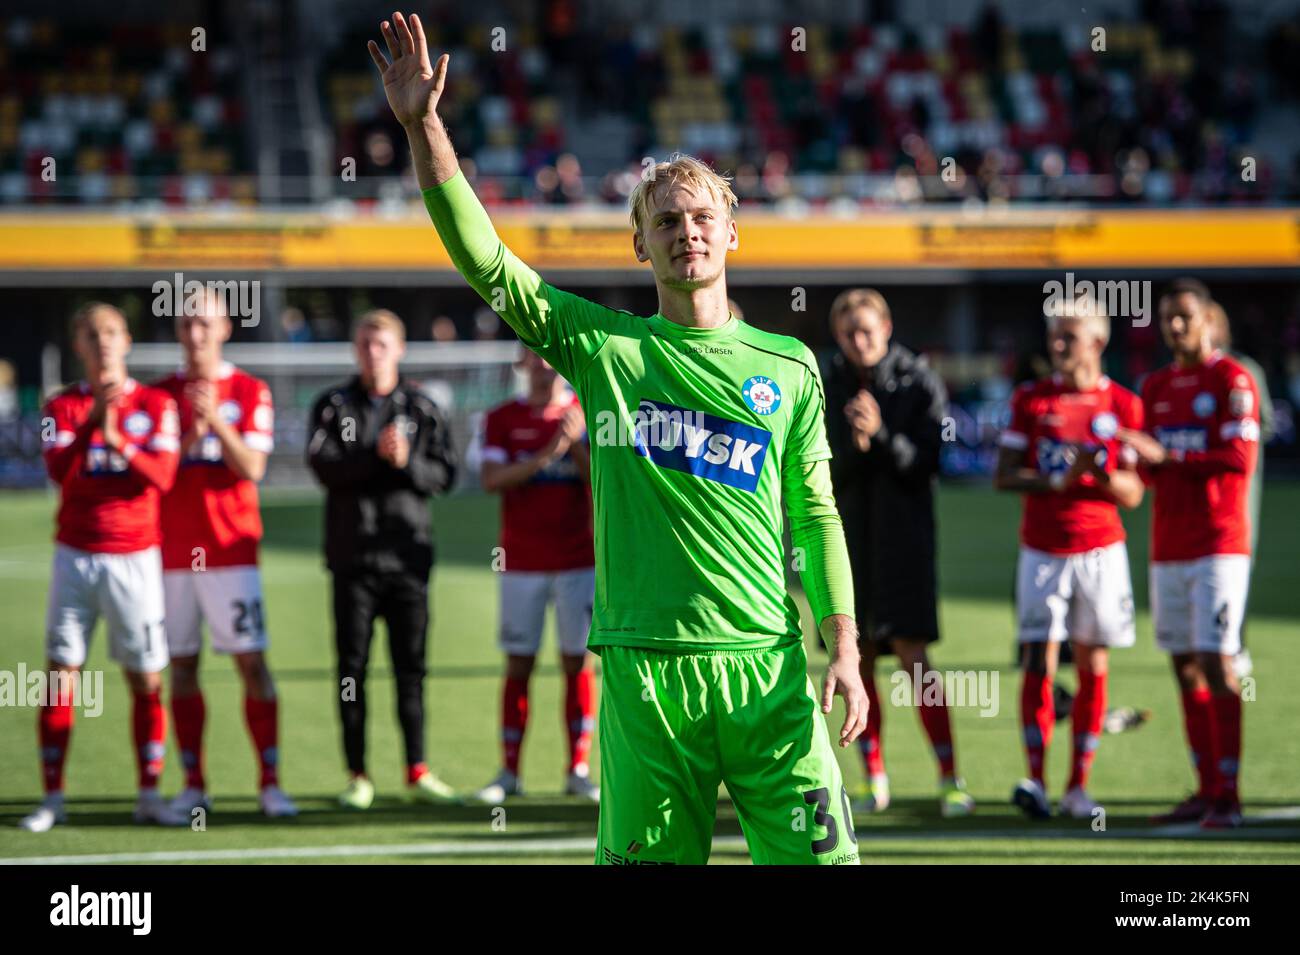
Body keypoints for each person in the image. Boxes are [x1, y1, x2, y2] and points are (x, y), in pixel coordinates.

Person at [368, 12, 866, 865]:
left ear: (732, 231)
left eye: (702, 216)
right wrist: (424, 125)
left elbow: (815, 515)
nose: (687, 232)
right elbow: (487, 263)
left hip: (770, 670)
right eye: (666, 222)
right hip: (645, 673)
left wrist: (844, 645)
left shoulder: (789, 366)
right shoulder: (606, 349)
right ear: (640, 242)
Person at [21, 303, 183, 831]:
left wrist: (118, 441)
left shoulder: (157, 404)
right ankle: (53, 799)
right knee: (59, 676)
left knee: (146, 679)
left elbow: (161, 477)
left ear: (128, 340)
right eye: (92, 334)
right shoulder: (61, 406)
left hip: (135, 556)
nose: (104, 342)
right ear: (79, 345)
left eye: (112, 332)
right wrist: (93, 424)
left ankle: (149, 794)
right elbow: (57, 470)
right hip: (76, 555)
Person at [823, 288, 974, 818]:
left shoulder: (918, 378)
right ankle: (873, 779)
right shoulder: (825, 380)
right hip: (849, 544)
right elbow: (822, 469)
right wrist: (856, 445)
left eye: (867, 329)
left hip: (905, 541)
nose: (859, 340)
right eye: (848, 332)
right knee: (856, 661)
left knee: (915, 661)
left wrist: (881, 434)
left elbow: (930, 462)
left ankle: (950, 777)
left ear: (886, 328)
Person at [994, 295, 1145, 819]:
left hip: (1102, 551)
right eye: (1053, 334)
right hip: (1041, 552)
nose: (1057, 344)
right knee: (1038, 664)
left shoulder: (1123, 405)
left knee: (1092, 665)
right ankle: (1035, 781)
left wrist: (1096, 473)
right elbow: (1003, 474)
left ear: (1098, 342)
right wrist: (1059, 477)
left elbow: (1132, 493)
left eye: (1068, 335)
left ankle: (1078, 787)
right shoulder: (1031, 400)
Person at [1119, 278, 1260, 829]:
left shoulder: (1232, 379)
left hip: (1219, 545)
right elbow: (1150, 470)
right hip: (1168, 545)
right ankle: (1204, 789)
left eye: (1184, 317)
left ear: (1208, 320)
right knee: (1183, 665)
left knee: (1217, 663)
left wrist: (1165, 455)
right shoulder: (1153, 386)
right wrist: (1130, 460)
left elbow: (1237, 460)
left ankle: (1229, 794)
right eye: (1167, 319)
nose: (1174, 327)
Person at [307, 309, 459, 809]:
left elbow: (445, 474)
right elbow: (323, 468)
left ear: (400, 350)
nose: (374, 353)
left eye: (383, 345)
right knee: (351, 671)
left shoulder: (422, 407)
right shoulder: (332, 405)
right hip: (352, 562)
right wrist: (376, 456)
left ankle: (417, 771)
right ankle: (358, 774)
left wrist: (406, 462)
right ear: (356, 350)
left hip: (408, 561)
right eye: (366, 344)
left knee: (410, 670)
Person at [152, 294, 296, 818]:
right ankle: (193, 783)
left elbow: (252, 468)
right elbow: (159, 476)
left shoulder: (249, 391)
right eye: (187, 323)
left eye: (204, 323)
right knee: (182, 667)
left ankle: (270, 782)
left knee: (252, 666)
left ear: (225, 328)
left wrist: (216, 420)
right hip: (171, 555)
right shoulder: (159, 395)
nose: (195, 333)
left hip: (232, 554)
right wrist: (190, 429)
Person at [474, 348, 598, 804]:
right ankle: (509, 772)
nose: (544, 366)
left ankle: (578, 770)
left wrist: (578, 445)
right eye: (534, 357)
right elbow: (492, 479)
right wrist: (549, 453)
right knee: (519, 663)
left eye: (550, 358)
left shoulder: (587, 414)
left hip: (579, 560)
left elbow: (603, 483)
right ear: (522, 364)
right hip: (520, 562)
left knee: (578, 664)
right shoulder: (502, 418)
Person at [1205, 301, 1274, 680]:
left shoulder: (1246, 371)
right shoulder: (1183, 377)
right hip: (1195, 497)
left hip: (1240, 490)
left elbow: (1264, 425)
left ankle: (1236, 644)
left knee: (1235, 566)